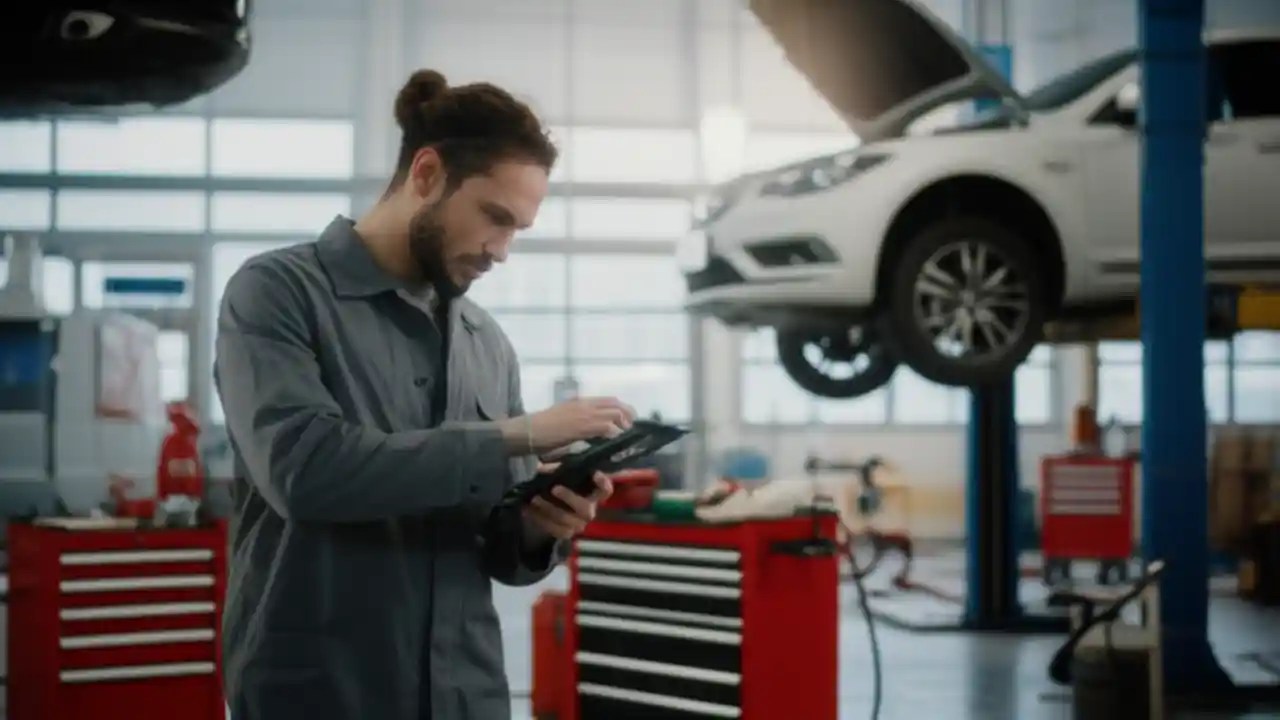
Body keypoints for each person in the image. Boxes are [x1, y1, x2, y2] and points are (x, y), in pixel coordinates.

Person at [214, 69, 636, 720]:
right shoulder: (278, 293)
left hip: (465, 694)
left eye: (520, 228)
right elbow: (305, 471)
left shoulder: (485, 341)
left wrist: (536, 527)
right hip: (318, 693)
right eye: (495, 217)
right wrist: (516, 436)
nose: (503, 250)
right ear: (427, 175)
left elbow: (496, 549)